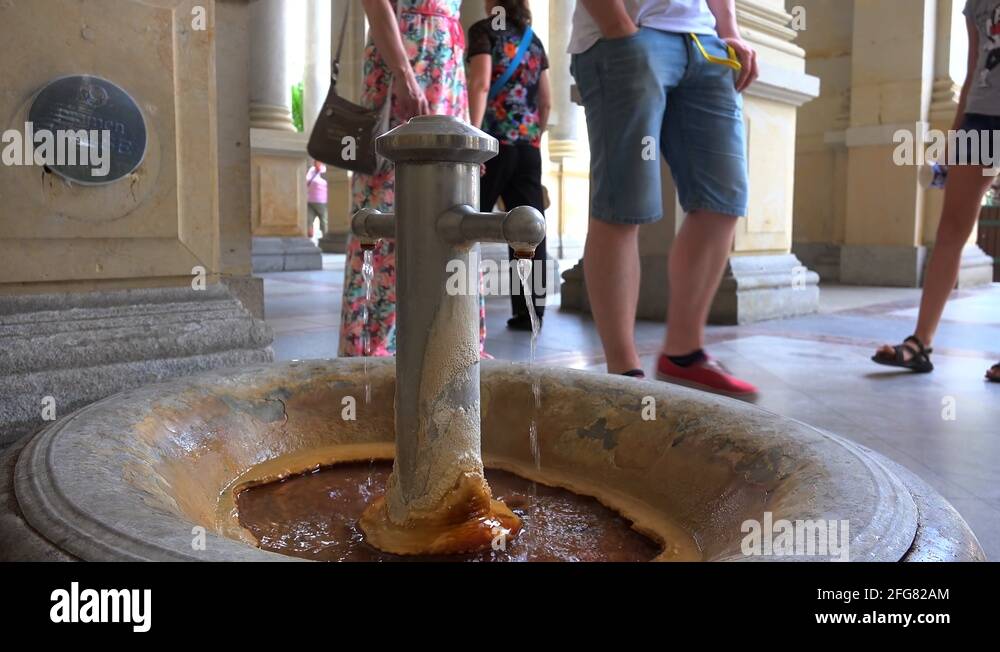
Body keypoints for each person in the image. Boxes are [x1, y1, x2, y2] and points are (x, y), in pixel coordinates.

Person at [570, 0, 760, 399]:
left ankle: (683, 354)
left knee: (723, 199)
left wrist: (730, 30)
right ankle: (625, 374)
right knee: (624, 204)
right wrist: (617, 26)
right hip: (625, 35)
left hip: (705, 43)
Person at [339, 0, 488, 357]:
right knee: (385, 203)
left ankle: (456, 338)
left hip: (446, 69)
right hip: (404, 63)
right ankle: (371, 345)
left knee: (454, 201)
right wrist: (403, 73)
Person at [873, 0, 1000, 384]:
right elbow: (974, 65)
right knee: (950, 232)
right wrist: (955, 134)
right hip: (980, 118)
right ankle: (920, 344)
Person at [467, 0, 552, 331]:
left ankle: (455, 306)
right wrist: (535, 137)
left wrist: (474, 140)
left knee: (466, 223)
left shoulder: (484, 31)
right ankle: (531, 313)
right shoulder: (534, 42)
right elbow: (545, 101)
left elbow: (480, 84)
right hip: (528, 147)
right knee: (529, 230)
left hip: (492, 146)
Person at [306, 160, 327, 239]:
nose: (315, 163)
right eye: (315, 162)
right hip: (310, 200)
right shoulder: (312, 170)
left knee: (323, 221)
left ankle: (325, 237)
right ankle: (309, 235)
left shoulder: (325, 171)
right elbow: (306, 181)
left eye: (317, 162)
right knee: (308, 219)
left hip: (322, 201)